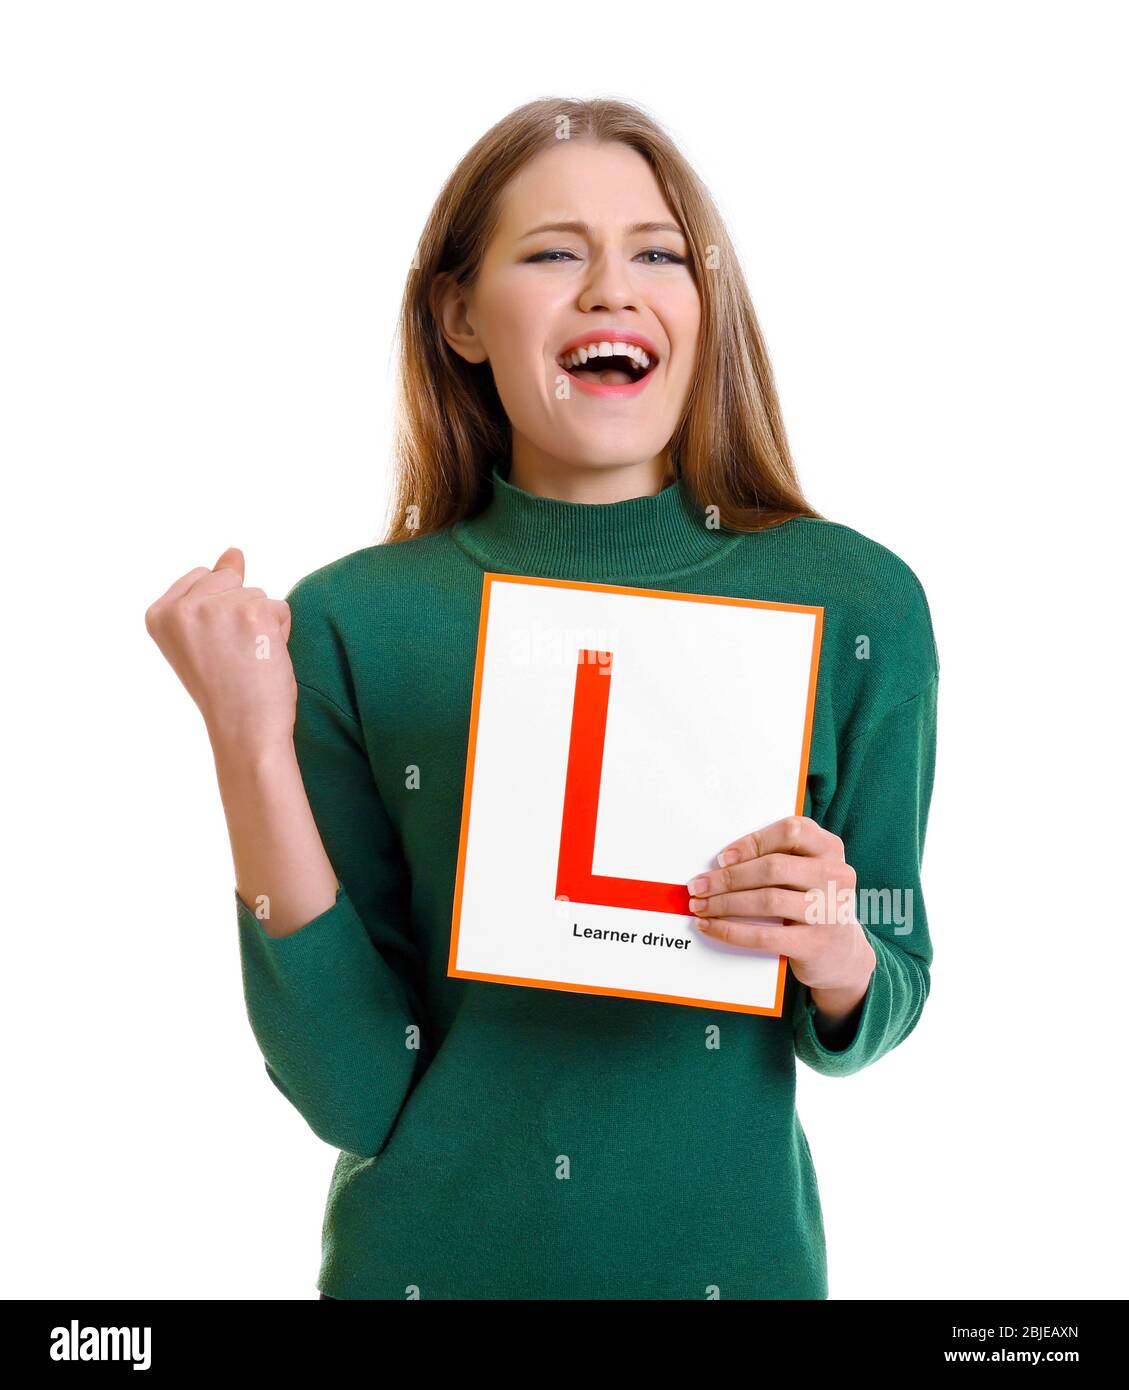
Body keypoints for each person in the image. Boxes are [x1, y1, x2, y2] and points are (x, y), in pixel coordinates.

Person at [145, 96, 938, 1300]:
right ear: (461, 315)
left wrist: (835, 947)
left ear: (703, 305)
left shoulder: (858, 602)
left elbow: (891, 976)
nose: (613, 288)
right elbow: (353, 1087)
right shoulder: (356, 620)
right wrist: (248, 744)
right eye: (556, 251)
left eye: (659, 253)